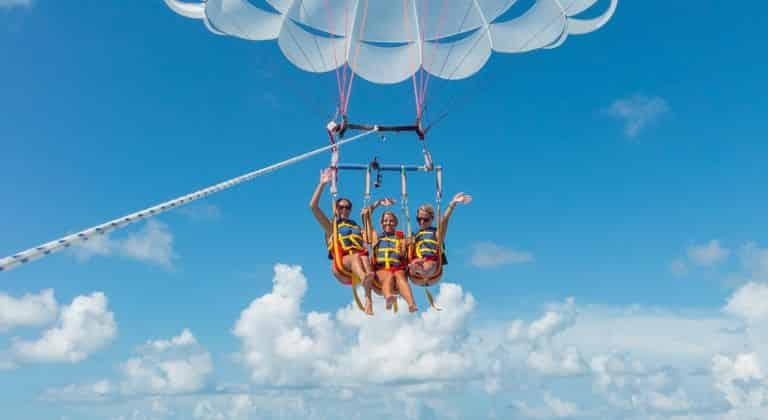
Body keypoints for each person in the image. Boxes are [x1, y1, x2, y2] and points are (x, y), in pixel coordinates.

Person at [310, 168, 376, 315]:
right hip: (342, 268)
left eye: (347, 207)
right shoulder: (331, 226)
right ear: (336, 208)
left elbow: (369, 239)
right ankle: (364, 278)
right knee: (357, 257)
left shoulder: (356, 227)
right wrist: (322, 184)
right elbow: (313, 207)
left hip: (360, 263)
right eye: (341, 207)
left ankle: (368, 301)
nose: (344, 210)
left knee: (364, 257)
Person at [362, 199, 418, 313]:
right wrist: (376, 204)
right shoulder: (375, 237)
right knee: (388, 276)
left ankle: (411, 304)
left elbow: (412, 244)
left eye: (391, 221)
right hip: (382, 269)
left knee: (400, 277)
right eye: (385, 221)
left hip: (398, 268)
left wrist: (410, 242)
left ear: (396, 223)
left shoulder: (401, 237)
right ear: (381, 223)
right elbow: (365, 215)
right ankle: (388, 297)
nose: (388, 223)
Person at [408, 192, 472, 285]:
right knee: (412, 263)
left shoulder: (436, 233)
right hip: (416, 262)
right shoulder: (414, 234)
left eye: (425, 219)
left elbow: (444, 220)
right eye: (419, 219)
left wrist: (452, 203)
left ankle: (420, 270)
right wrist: (407, 243)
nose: (421, 222)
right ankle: (416, 268)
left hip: (431, 264)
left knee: (427, 265)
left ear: (432, 219)